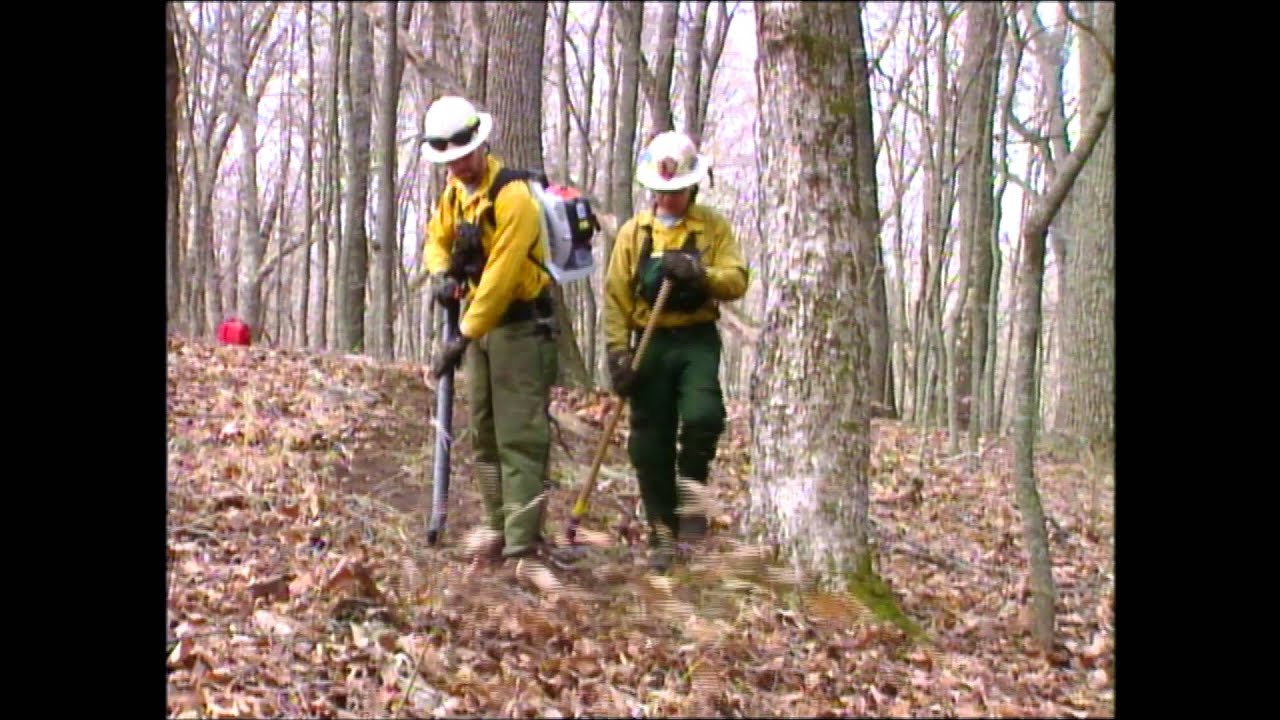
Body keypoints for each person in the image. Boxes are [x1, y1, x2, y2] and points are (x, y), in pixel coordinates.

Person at [417, 95, 558, 562]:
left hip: (518, 327)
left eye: (464, 155)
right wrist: (443, 274)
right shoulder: (454, 194)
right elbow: (435, 241)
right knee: (484, 431)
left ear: (482, 145)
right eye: (449, 160)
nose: (458, 165)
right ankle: (498, 525)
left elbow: (500, 279)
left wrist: (462, 337)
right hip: (480, 329)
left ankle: (523, 544)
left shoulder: (513, 198)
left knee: (520, 436)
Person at [602, 131, 749, 571]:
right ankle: (660, 530)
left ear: (692, 187)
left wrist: (699, 275)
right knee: (650, 441)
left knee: (704, 416)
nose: (667, 199)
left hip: (695, 340)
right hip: (650, 341)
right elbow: (615, 297)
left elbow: (737, 279)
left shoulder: (712, 228)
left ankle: (691, 494)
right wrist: (617, 354)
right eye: (660, 192)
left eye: (676, 192)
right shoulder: (634, 234)